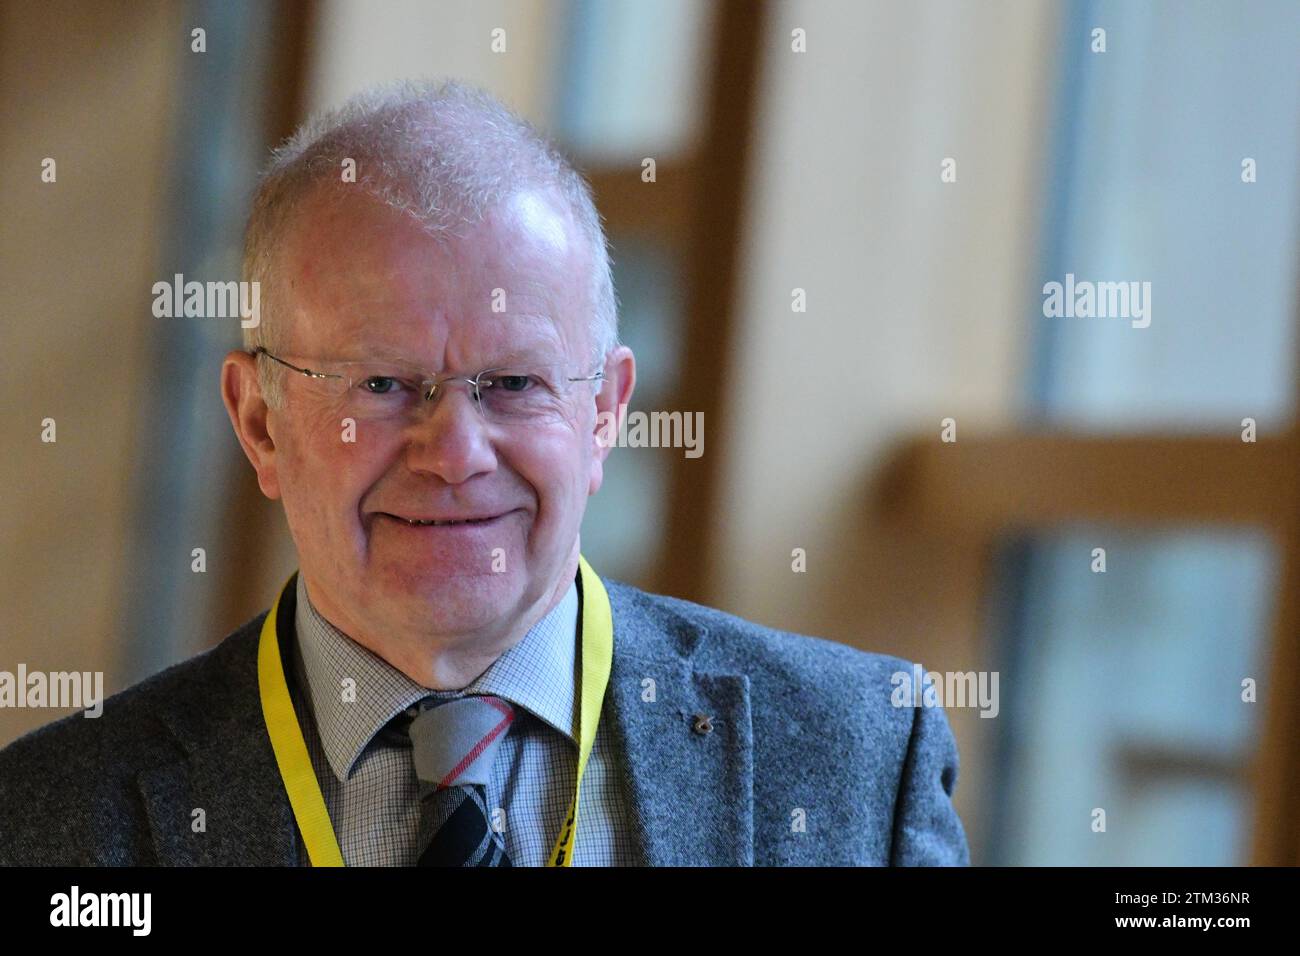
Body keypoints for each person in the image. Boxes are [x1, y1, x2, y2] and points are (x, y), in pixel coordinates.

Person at [0, 79, 969, 866]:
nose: (454, 454)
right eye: (380, 382)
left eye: (512, 382)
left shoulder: (851, 763)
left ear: (603, 411)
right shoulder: (48, 822)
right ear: (260, 422)